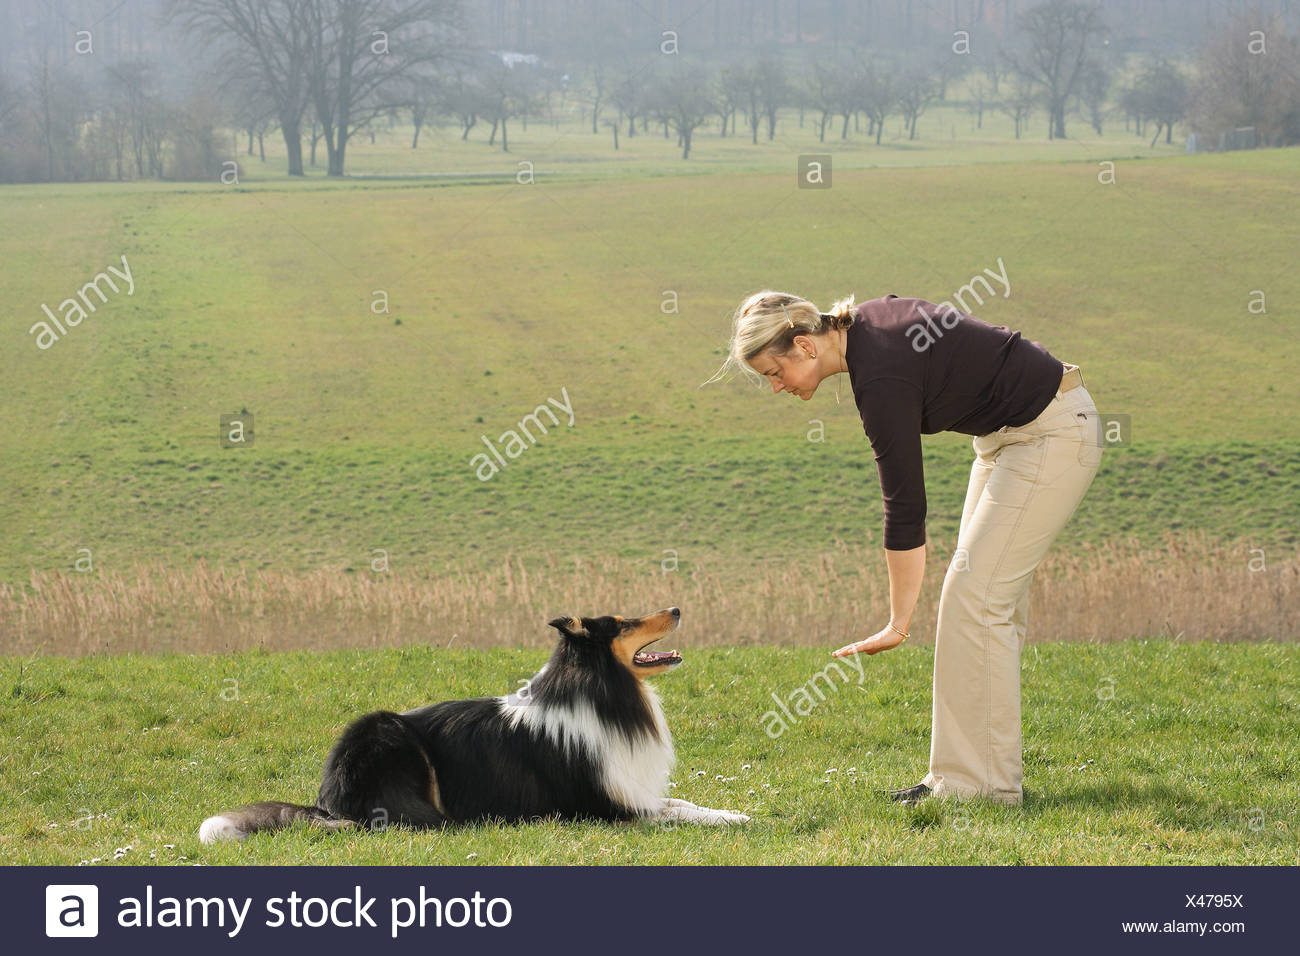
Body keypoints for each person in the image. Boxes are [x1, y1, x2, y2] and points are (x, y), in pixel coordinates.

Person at [707, 290, 1103, 806]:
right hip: (1006, 439)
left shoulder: (880, 377)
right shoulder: (871, 328)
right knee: (978, 603)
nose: (776, 388)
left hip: (1050, 434)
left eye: (772, 374)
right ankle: (960, 779)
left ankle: (980, 788)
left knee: (975, 600)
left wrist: (897, 623)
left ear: (804, 346)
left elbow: (905, 508)